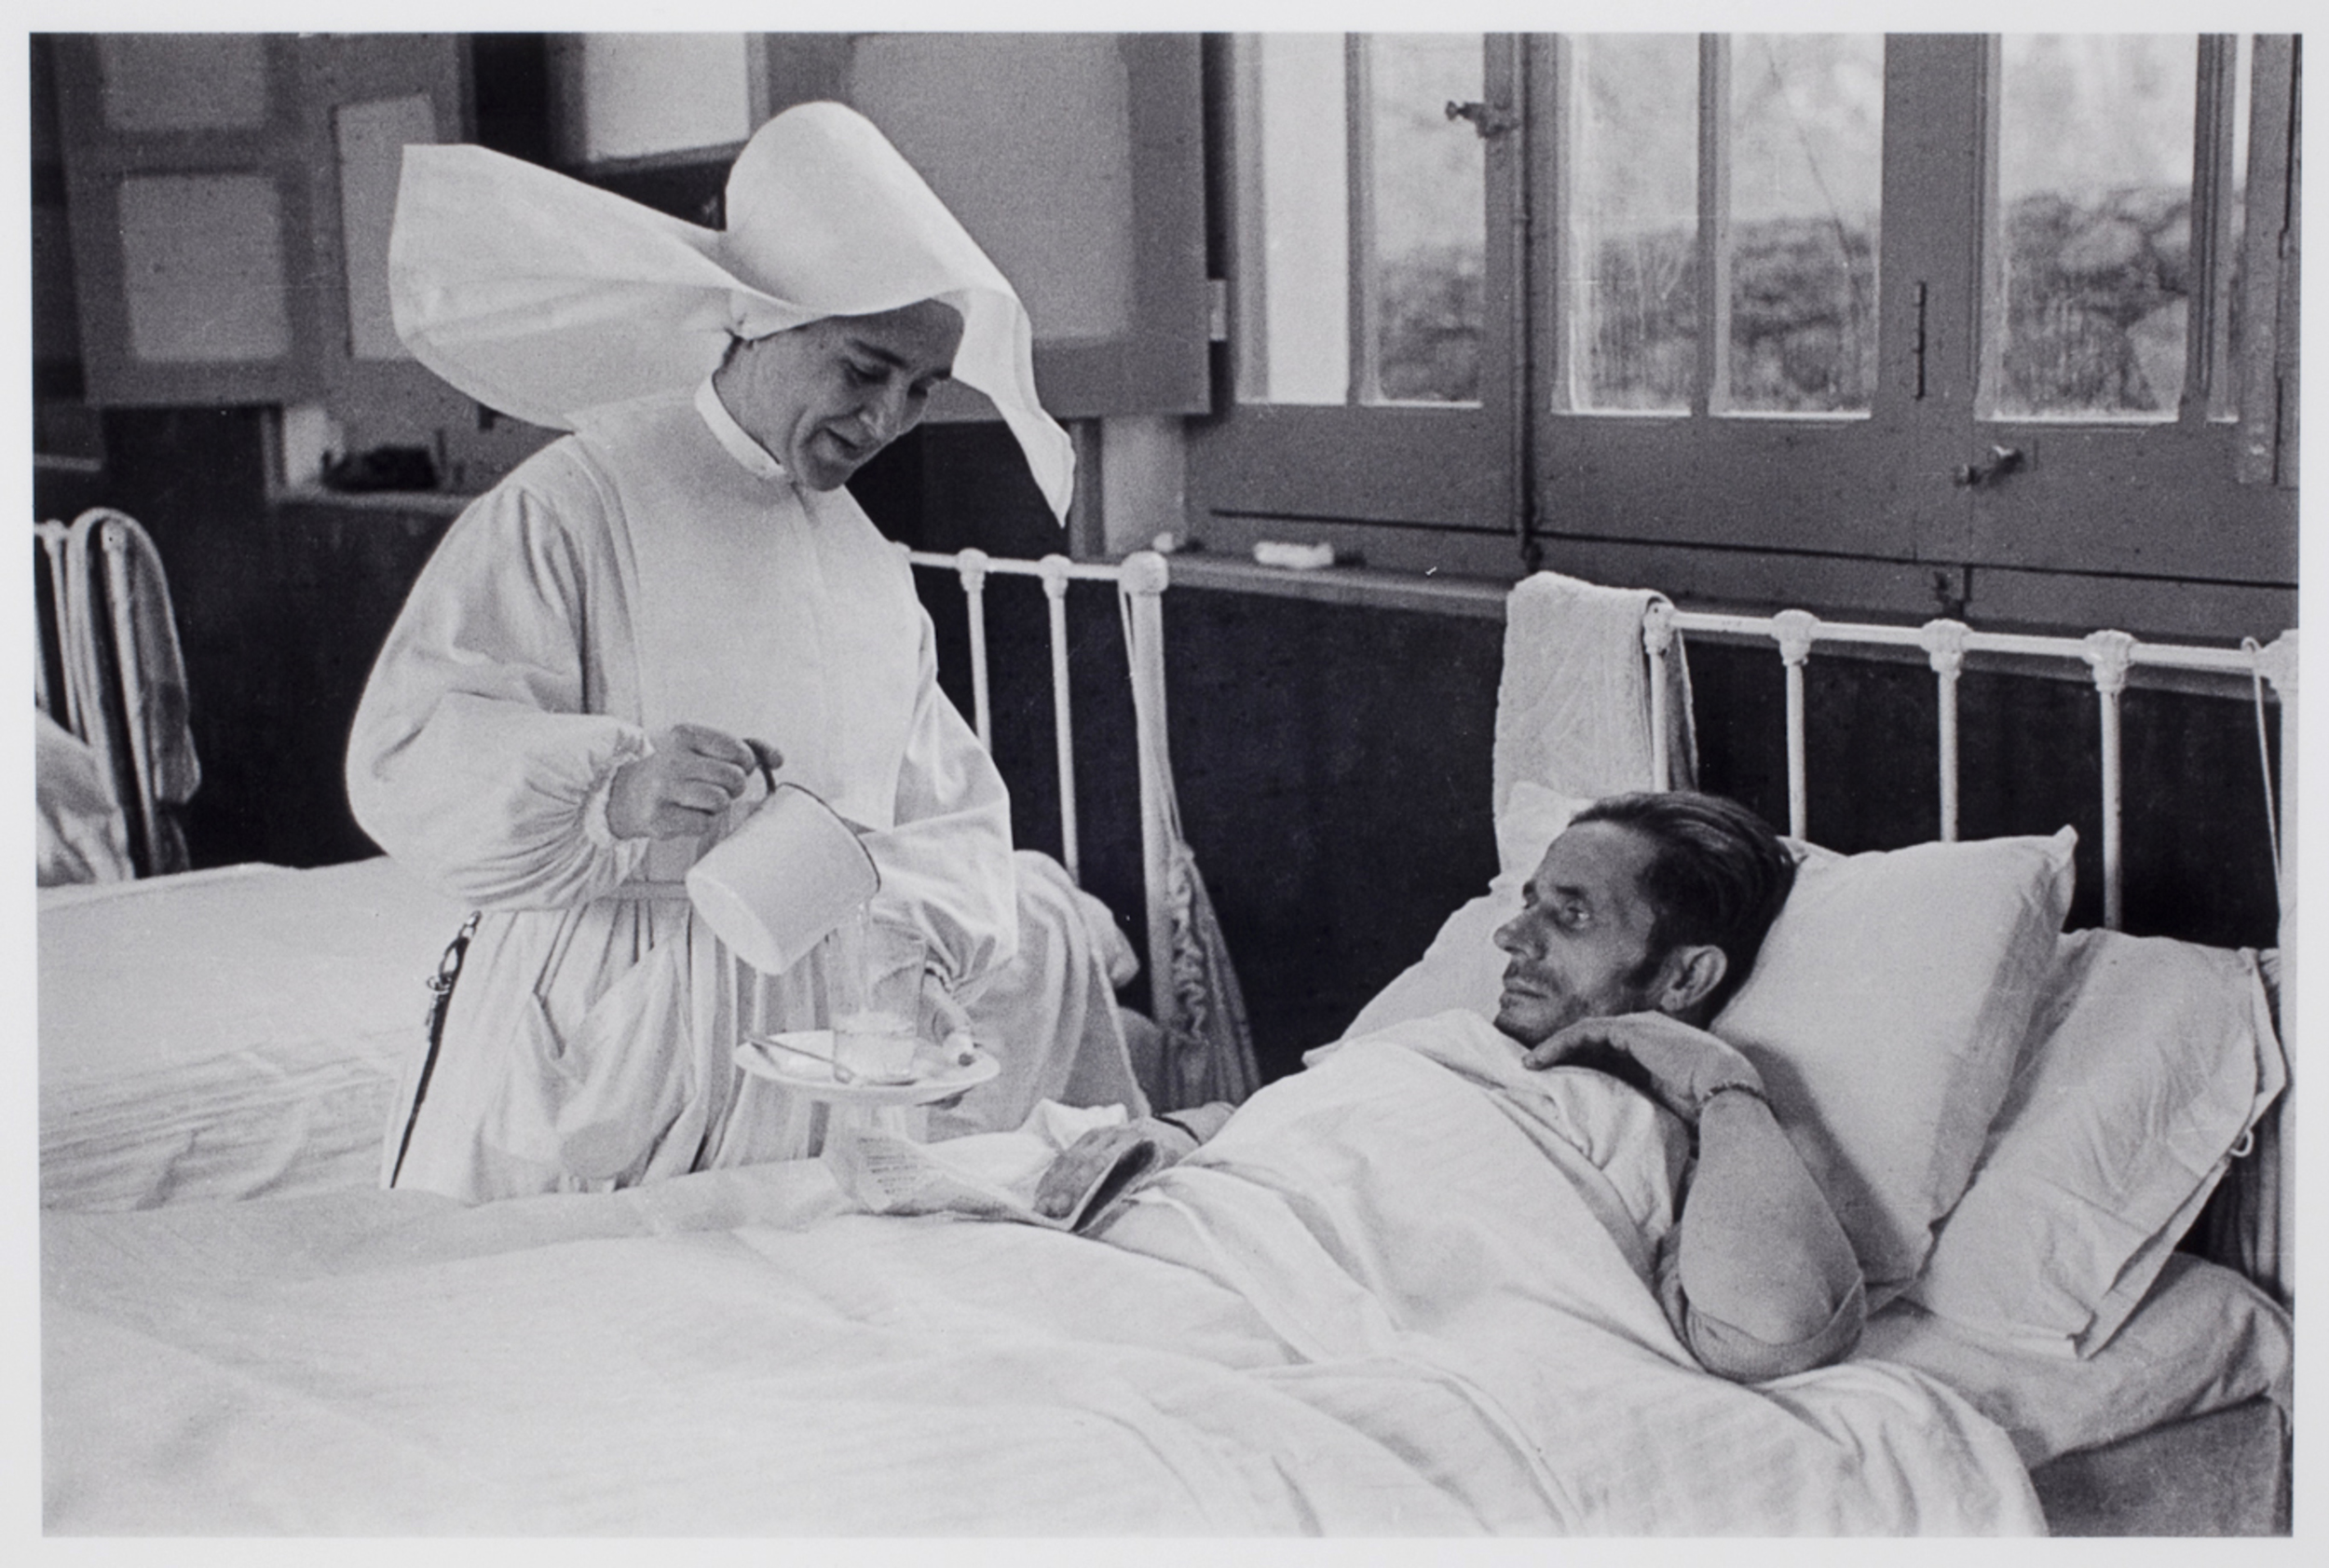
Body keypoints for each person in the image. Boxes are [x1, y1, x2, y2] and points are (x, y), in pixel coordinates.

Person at [349, 102, 1141, 1201]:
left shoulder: (865, 560)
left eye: (920, 391)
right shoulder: (576, 501)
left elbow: (951, 810)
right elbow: (412, 747)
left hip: (808, 1046)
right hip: (603, 1018)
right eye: (864, 370)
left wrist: (915, 954)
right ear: (758, 325)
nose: (886, 420)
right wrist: (616, 790)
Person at [1035, 790, 1864, 1383]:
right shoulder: (1445, 1040)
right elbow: (1307, 1123)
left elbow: (1773, 1326)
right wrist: (1181, 1133)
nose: (1511, 933)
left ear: (1686, 976)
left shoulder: (1670, 1135)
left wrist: (1723, 1088)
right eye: (1530, 901)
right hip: (1163, 1250)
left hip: (1263, 1332)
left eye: (1569, 915)